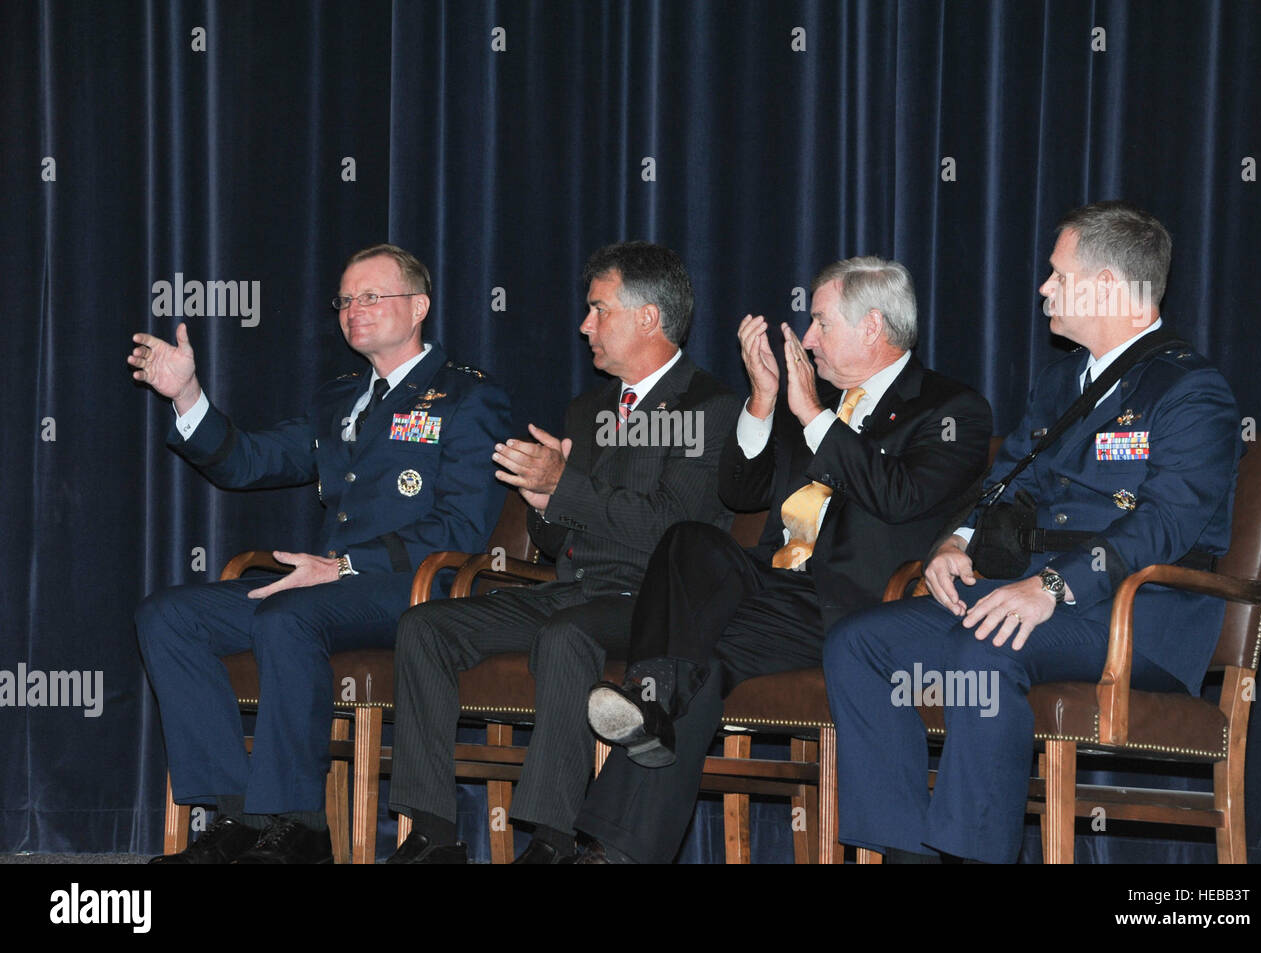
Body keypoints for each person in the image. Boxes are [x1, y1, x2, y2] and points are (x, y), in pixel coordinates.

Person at [823, 201, 1240, 863]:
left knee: (985, 653)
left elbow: (1165, 525)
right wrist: (957, 539)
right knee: (860, 644)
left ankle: (976, 855)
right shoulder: (1061, 383)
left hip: (1141, 613)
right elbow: (1010, 482)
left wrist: (1051, 585)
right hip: (1035, 597)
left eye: (1058, 275)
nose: (1044, 288)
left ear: (1106, 286)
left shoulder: (1191, 390)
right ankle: (908, 854)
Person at [572, 255, 993, 863]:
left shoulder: (948, 409)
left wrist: (813, 416)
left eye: (820, 323)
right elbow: (739, 494)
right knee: (691, 549)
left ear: (872, 326)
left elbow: (900, 498)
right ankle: (643, 742)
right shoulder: (804, 403)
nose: (809, 338)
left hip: (857, 608)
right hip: (775, 589)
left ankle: (620, 819)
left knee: (700, 674)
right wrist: (764, 402)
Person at [130, 243, 511, 864]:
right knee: (169, 616)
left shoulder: (467, 398)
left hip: (413, 590)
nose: (353, 310)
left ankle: (300, 826)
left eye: (372, 296)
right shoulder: (338, 399)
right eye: (345, 300)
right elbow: (249, 462)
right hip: (330, 589)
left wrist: (344, 567)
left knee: (291, 615)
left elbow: (462, 530)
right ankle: (238, 819)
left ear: (419, 306)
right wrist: (187, 393)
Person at [385, 241, 740, 864]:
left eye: (598, 310)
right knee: (425, 626)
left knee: (567, 635)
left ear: (648, 318)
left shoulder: (708, 408)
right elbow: (553, 538)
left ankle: (551, 838)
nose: (585, 326)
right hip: (573, 588)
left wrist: (563, 487)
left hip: (655, 604)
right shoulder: (590, 409)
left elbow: (671, 528)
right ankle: (434, 832)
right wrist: (546, 506)